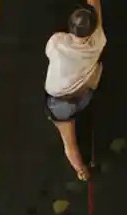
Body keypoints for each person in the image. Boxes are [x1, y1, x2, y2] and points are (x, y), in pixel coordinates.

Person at [44, 0, 105, 181]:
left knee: (69, 143)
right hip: (84, 95)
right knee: (98, 68)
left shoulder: (57, 41)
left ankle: (81, 171)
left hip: (59, 103)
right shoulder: (98, 41)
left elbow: (49, 55)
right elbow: (95, 5)